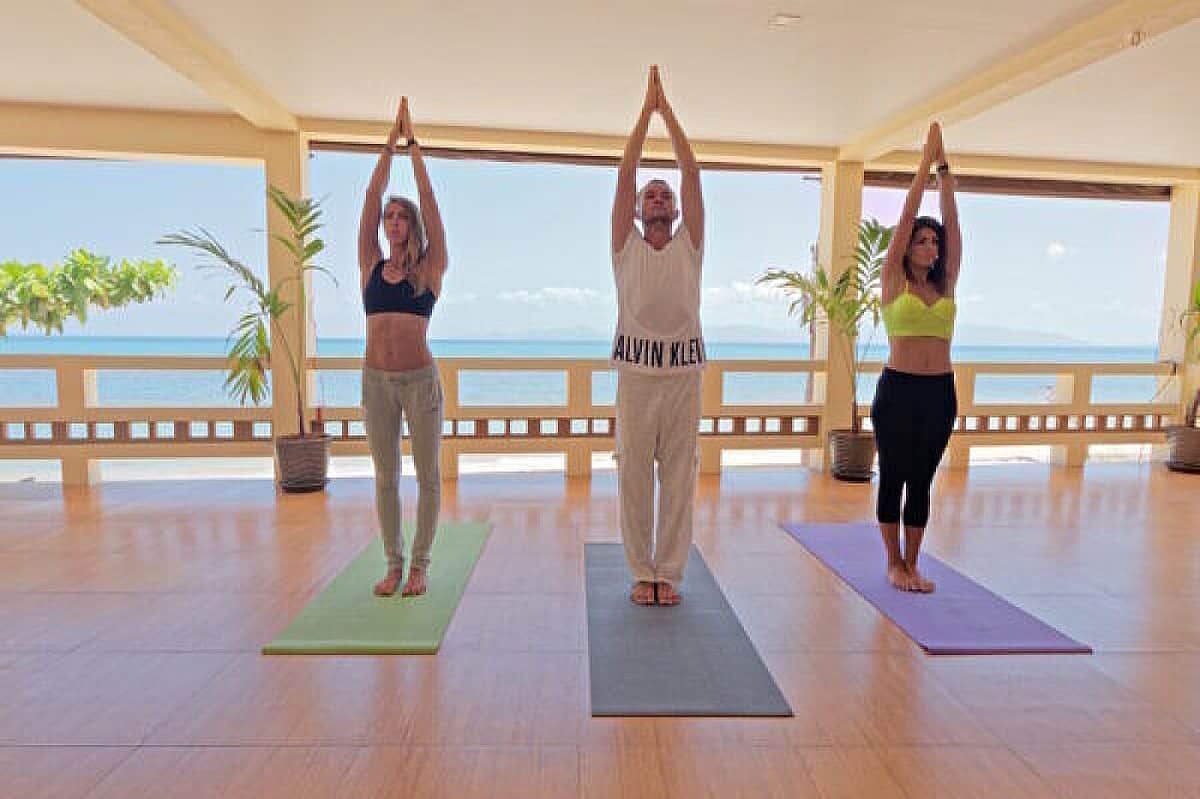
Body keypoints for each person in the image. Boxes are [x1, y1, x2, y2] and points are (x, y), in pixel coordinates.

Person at [610, 66, 706, 606]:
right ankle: (639, 570)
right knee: (633, 478)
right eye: (650, 194)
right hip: (636, 378)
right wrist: (643, 115)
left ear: (674, 209)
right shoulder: (625, 248)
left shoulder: (690, 246)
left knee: (678, 478)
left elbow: (691, 173)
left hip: (683, 378)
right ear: (638, 209)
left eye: (664, 194)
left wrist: (666, 114)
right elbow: (625, 175)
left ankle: (666, 571)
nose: (658, 197)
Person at [358, 97, 448, 598]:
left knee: (427, 476)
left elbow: (430, 204)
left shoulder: (430, 268)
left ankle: (420, 565)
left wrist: (414, 149)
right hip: (377, 383)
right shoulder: (370, 263)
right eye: (388, 217)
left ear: (412, 226)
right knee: (385, 476)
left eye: (400, 216)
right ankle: (393, 564)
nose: (392, 221)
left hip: (419, 383)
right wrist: (387, 146)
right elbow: (370, 196)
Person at [872, 120, 962, 593]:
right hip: (898, 391)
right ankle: (893, 563)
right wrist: (925, 163)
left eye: (934, 241)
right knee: (893, 475)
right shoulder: (894, 280)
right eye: (922, 240)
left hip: (939, 393)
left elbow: (953, 225)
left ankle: (912, 564)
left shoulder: (945, 284)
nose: (930, 246)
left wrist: (945, 172)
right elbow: (907, 217)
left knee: (922, 479)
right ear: (907, 247)